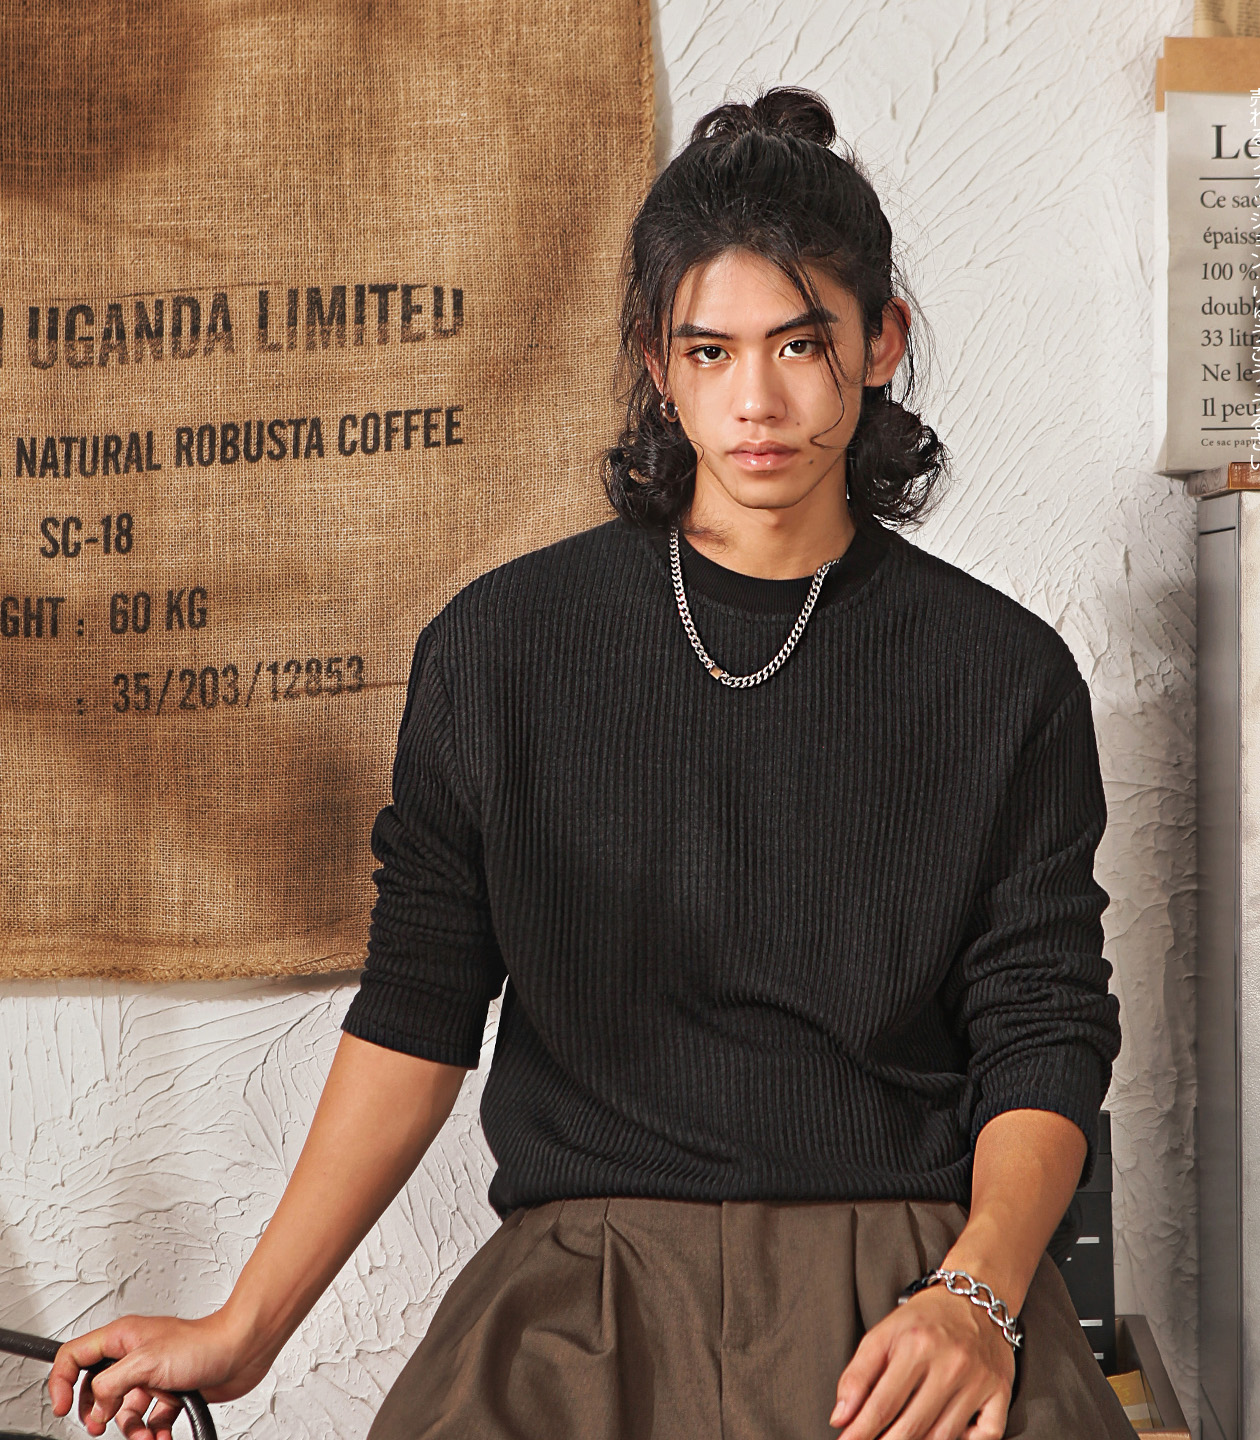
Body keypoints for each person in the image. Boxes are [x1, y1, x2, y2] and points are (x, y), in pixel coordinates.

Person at [48, 88, 1133, 1440]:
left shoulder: (1003, 673)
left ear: (881, 344)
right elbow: (417, 1010)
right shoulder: (500, 649)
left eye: (801, 345)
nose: (757, 401)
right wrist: (245, 1330)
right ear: (655, 363)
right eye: (710, 350)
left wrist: (979, 1296)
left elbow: (1043, 1028)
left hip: (910, 1286)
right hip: (581, 1301)